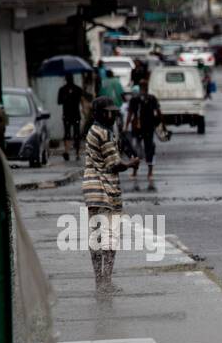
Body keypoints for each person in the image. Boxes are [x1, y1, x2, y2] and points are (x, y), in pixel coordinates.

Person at [82, 97, 140, 295]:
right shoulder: (104, 133)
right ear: (99, 113)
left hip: (92, 191)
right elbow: (113, 164)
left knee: (97, 238)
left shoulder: (92, 130)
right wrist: (131, 163)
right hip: (105, 191)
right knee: (110, 238)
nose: (113, 116)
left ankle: (100, 282)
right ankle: (106, 281)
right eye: (109, 112)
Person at [127, 78, 163, 182]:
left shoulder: (136, 99)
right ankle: (149, 173)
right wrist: (161, 124)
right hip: (147, 128)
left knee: (138, 150)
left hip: (139, 128)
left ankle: (136, 172)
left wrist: (126, 126)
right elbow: (158, 112)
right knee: (148, 149)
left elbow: (130, 114)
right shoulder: (151, 98)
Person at [57, 74, 85, 161]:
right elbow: (82, 100)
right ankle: (77, 153)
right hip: (76, 114)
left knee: (67, 134)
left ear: (66, 79)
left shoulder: (62, 90)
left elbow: (59, 102)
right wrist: (83, 110)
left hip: (67, 115)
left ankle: (67, 151)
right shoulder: (78, 89)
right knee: (77, 134)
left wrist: (66, 97)